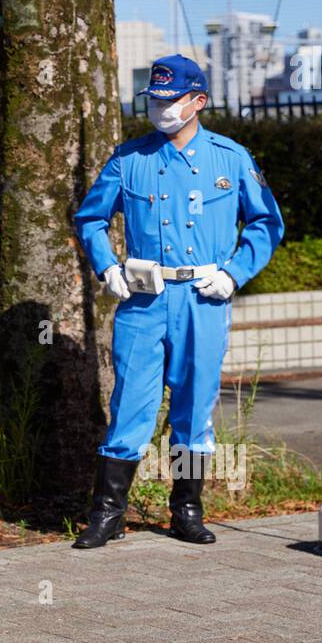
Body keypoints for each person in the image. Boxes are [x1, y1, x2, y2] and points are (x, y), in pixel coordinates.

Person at [73, 54, 284, 549]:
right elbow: (90, 219)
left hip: (204, 298)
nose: (161, 109)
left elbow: (265, 222)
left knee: (193, 407)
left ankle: (186, 509)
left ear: (198, 102)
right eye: (155, 101)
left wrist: (234, 273)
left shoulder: (231, 158)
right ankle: (107, 513)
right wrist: (106, 265)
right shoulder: (130, 159)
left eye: (171, 101)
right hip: (146, 299)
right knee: (130, 404)